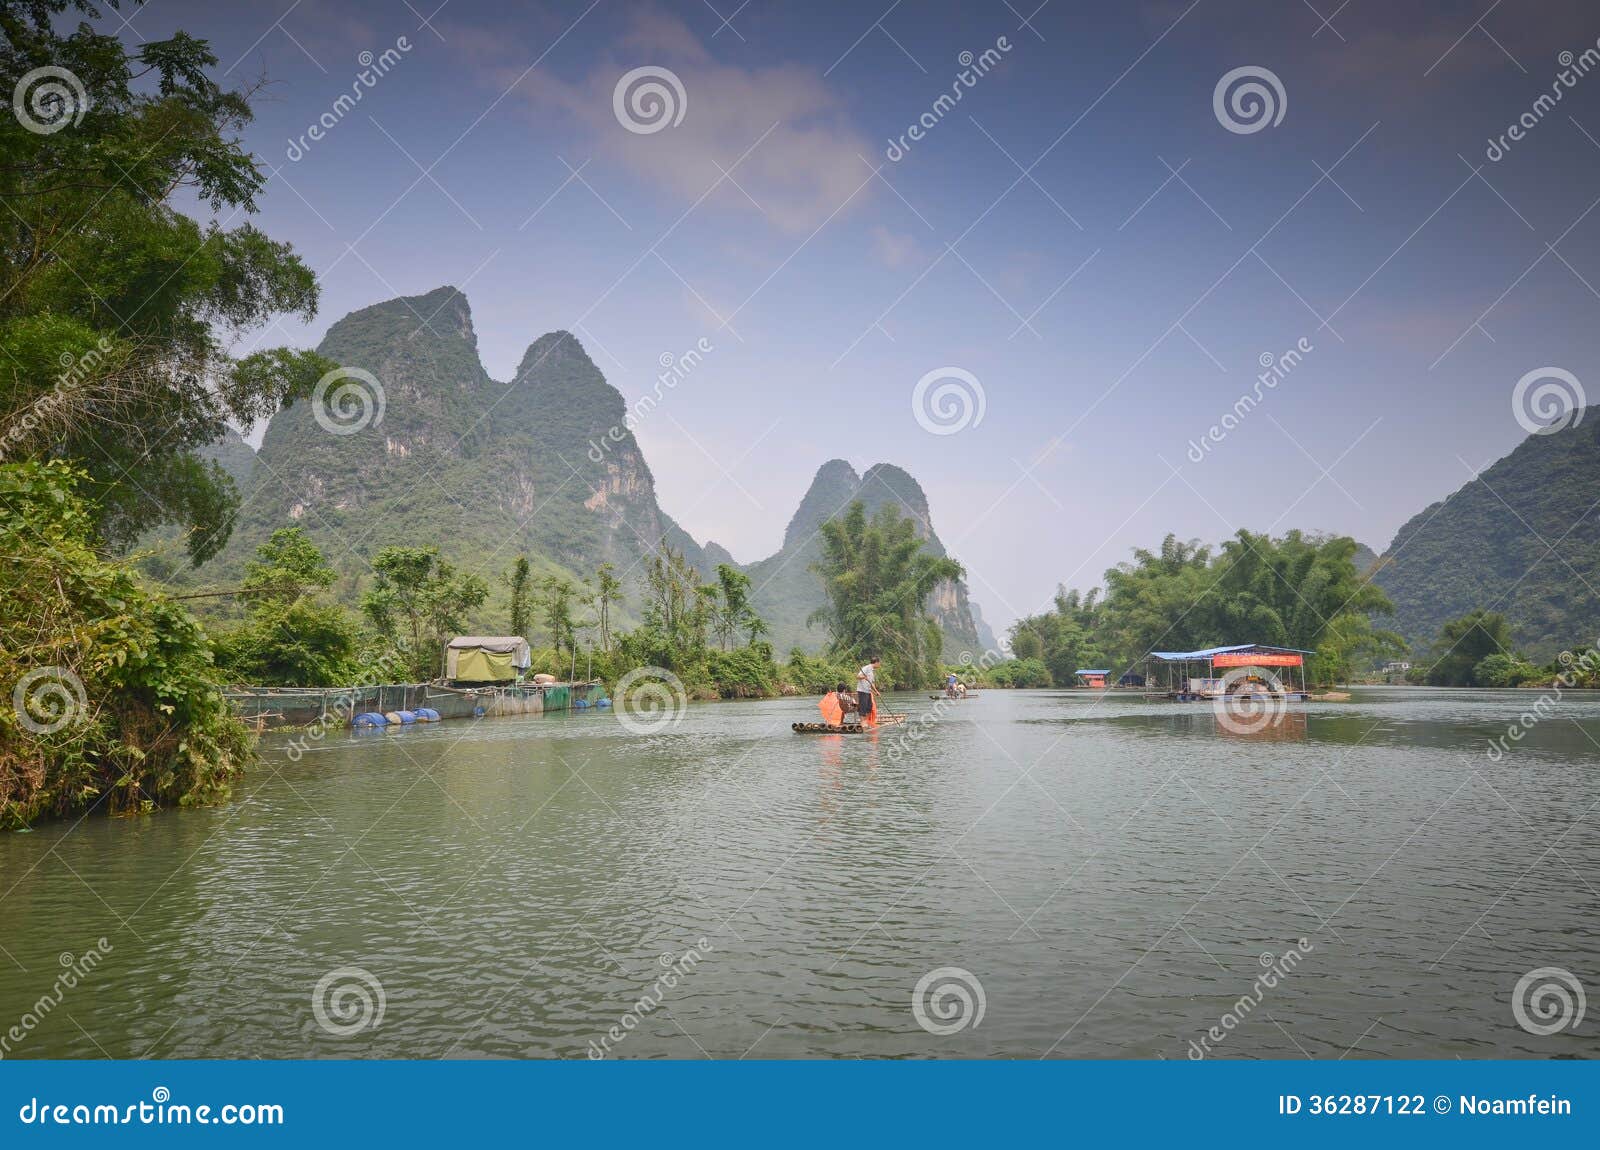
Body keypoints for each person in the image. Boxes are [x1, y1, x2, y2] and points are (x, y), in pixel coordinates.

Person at [856, 656, 881, 726]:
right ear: (876, 662)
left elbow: (872, 683)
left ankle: (866, 721)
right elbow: (858, 677)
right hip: (862, 690)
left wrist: (876, 691)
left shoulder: (872, 671)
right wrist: (864, 677)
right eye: (879, 663)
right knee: (863, 707)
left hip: (868, 691)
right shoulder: (866, 668)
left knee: (869, 707)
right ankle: (862, 723)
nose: (879, 665)